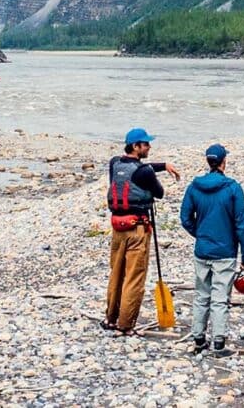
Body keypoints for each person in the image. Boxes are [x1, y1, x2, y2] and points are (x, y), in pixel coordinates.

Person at [102, 127, 180, 333]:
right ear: (136, 146)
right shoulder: (144, 172)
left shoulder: (114, 164)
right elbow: (159, 192)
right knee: (134, 277)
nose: (149, 147)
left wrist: (163, 165)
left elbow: (138, 167)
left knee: (116, 274)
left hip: (118, 228)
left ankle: (110, 318)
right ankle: (126, 325)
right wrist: (157, 174)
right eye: (145, 144)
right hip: (137, 229)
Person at [179, 143, 244, 357]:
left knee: (202, 294)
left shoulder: (194, 187)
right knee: (220, 298)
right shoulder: (232, 188)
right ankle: (219, 342)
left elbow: (185, 218)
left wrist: (200, 234)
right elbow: (242, 224)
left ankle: (199, 339)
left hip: (203, 250)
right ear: (223, 162)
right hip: (225, 251)